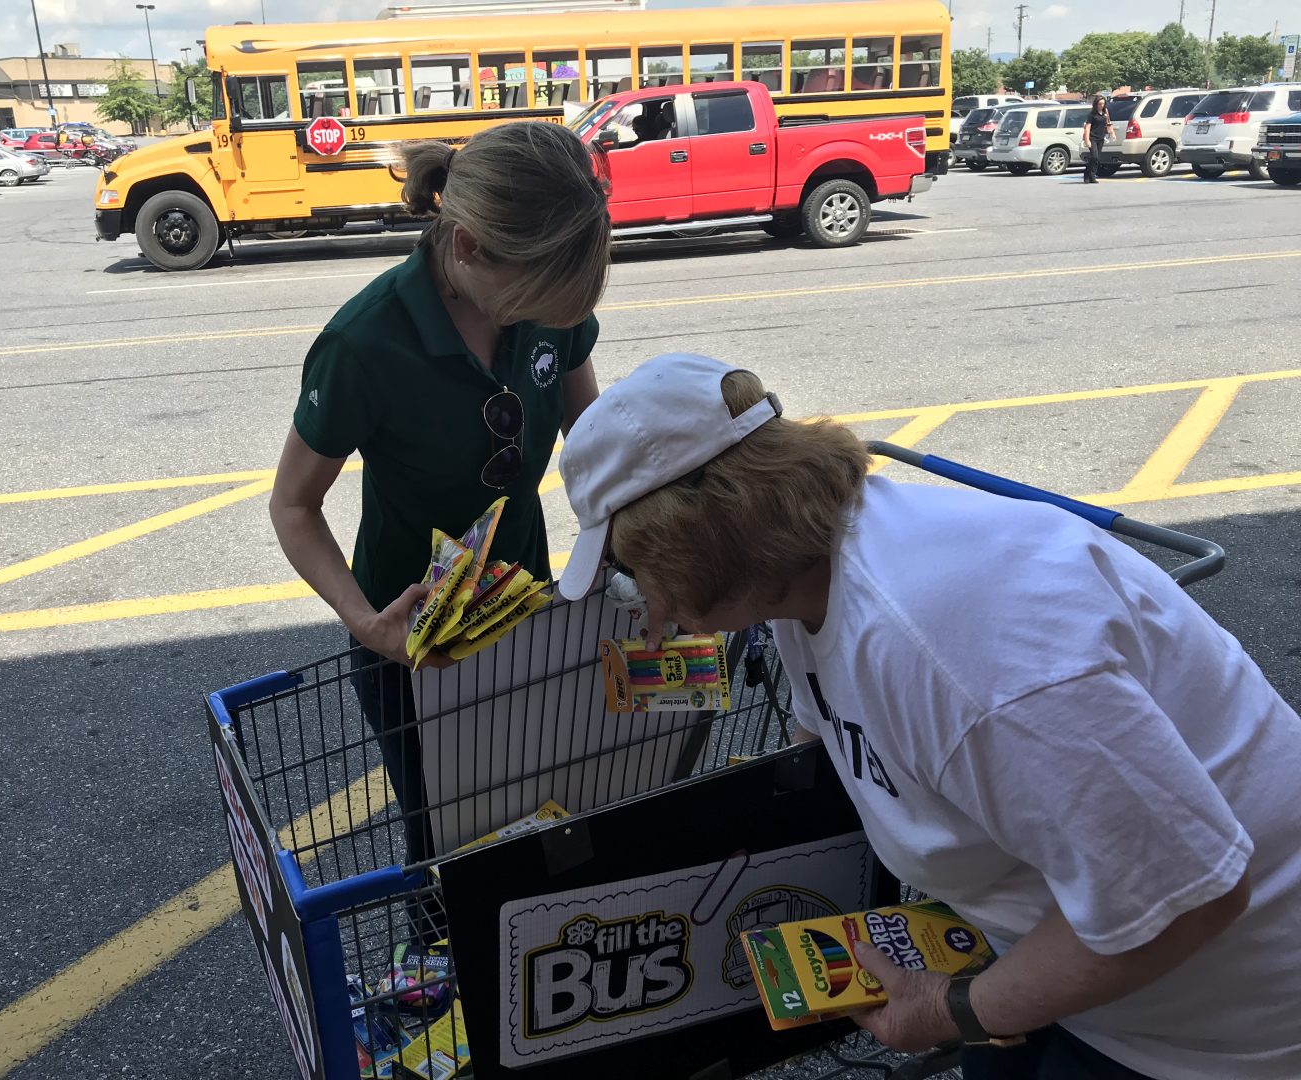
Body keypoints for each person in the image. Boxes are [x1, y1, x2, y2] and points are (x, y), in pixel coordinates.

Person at [556, 354, 1301, 1080]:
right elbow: (825, 739)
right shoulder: (802, 571)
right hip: (1065, 962)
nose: (642, 602)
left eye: (632, 570)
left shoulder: (960, 651)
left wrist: (951, 1010)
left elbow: (1187, 897)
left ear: (694, 540)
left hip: (1215, 1023)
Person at [270, 122, 610, 874]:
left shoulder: (547, 299)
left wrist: (635, 541)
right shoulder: (364, 343)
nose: (546, 320)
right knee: (447, 847)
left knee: (538, 817)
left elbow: (594, 441)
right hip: (415, 646)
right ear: (467, 248)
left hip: (527, 619)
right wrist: (365, 623)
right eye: (530, 304)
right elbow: (293, 506)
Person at [1082, 95, 1115, 184]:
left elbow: (1108, 123)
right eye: (1099, 104)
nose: (1101, 106)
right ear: (1096, 104)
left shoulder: (1105, 112)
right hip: (1092, 138)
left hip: (1101, 138)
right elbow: (1087, 128)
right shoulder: (1092, 114)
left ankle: (1092, 176)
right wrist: (1087, 140)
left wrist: (1112, 133)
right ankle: (1086, 175)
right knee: (1094, 156)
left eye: (1103, 104)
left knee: (1097, 159)